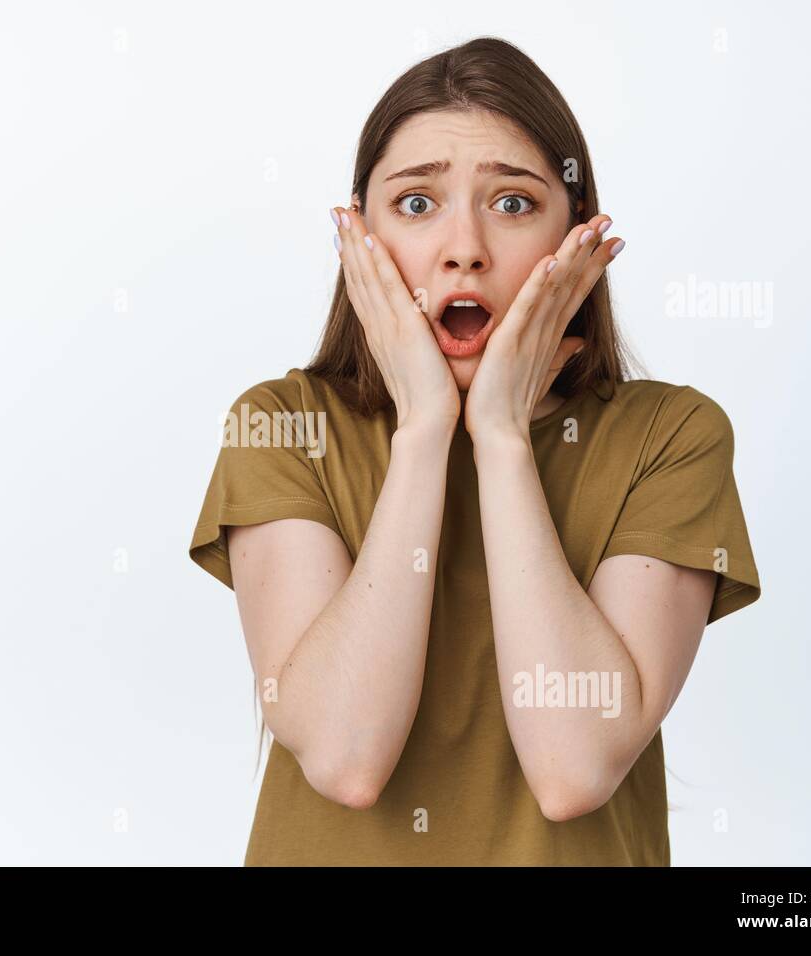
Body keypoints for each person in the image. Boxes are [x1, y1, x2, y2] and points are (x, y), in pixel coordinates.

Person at [188, 37, 761, 866]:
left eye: (514, 203)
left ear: (579, 236)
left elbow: (574, 770)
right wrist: (425, 429)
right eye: (417, 204)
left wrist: (499, 437)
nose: (466, 249)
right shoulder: (282, 425)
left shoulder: (671, 438)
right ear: (360, 236)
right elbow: (347, 759)